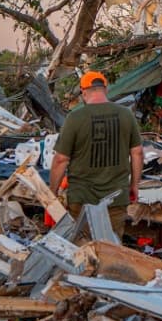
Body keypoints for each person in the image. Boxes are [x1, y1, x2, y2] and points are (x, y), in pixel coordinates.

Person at [50, 71, 143, 239]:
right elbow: (137, 153)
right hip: (116, 198)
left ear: (84, 92)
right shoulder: (126, 115)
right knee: (111, 250)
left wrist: (53, 191)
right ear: (105, 90)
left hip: (82, 199)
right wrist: (134, 186)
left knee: (81, 250)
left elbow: (61, 159)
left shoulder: (75, 118)